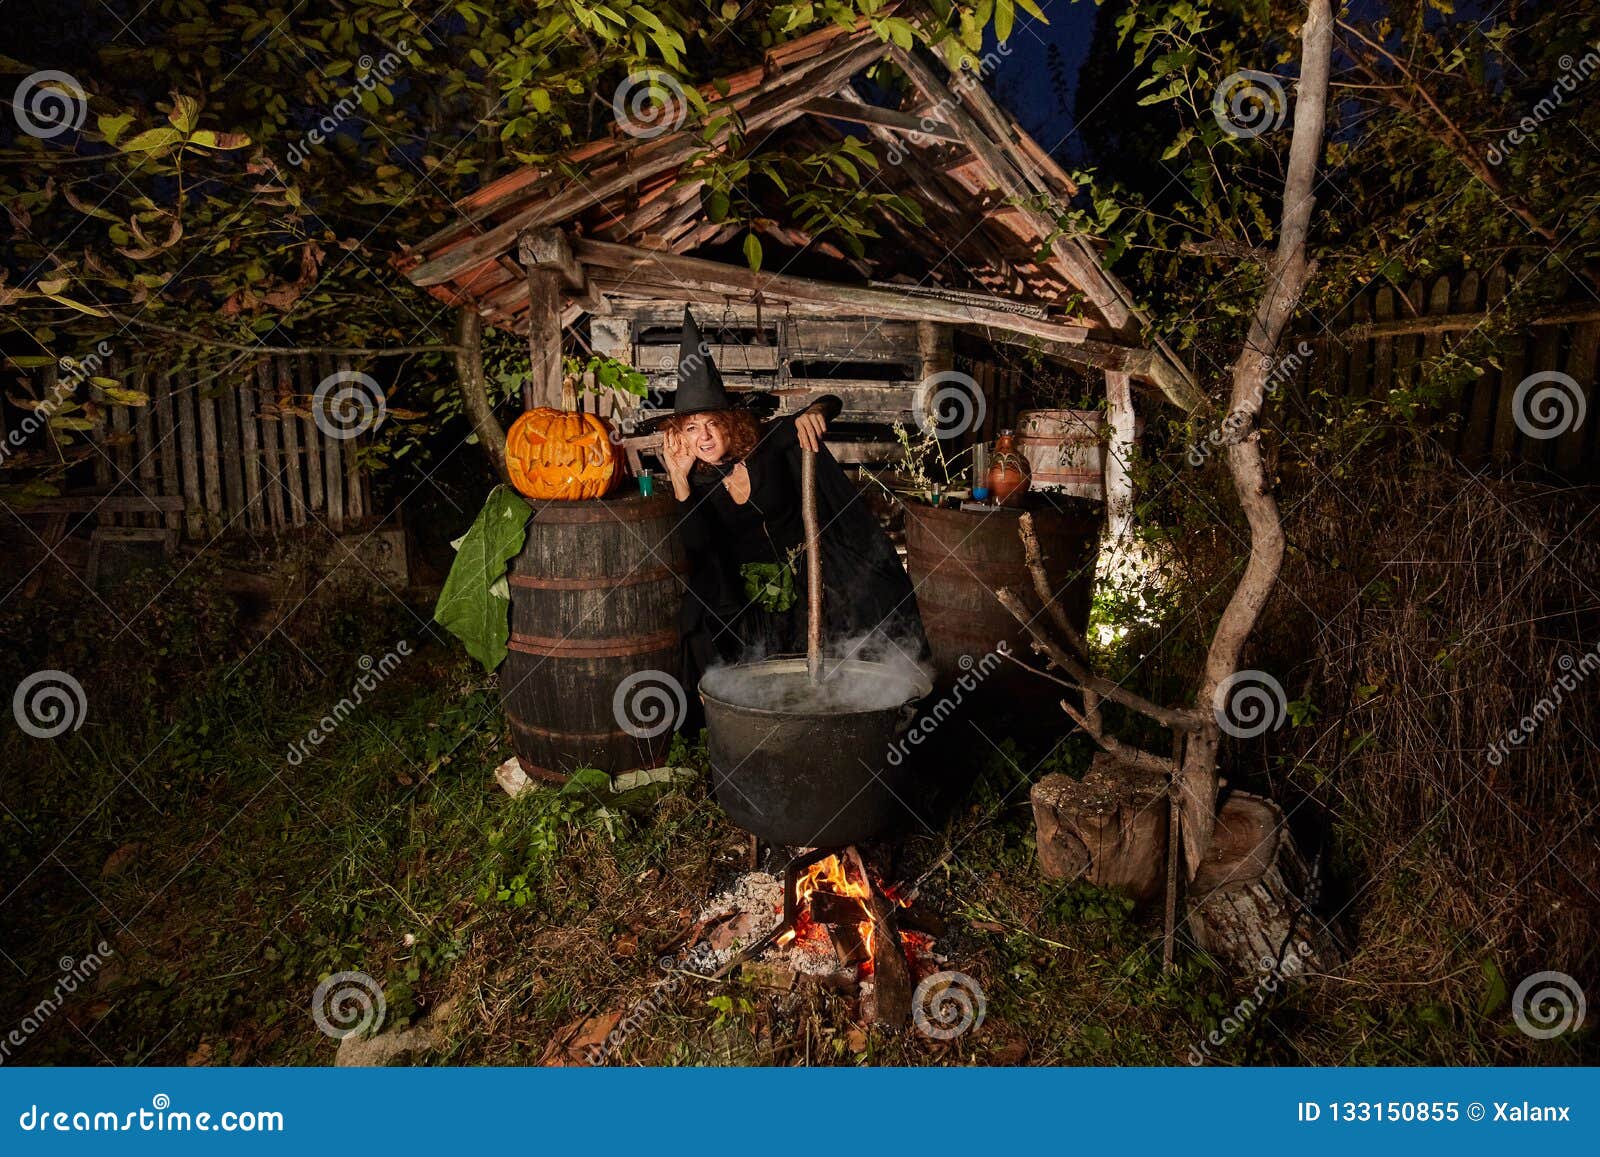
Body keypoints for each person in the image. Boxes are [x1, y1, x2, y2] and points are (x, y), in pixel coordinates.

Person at [649, 309, 928, 714]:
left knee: (866, 598)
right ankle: (729, 717)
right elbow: (699, 550)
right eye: (691, 428)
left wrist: (816, 410)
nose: (703, 437)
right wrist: (678, 479)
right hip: (745, 592)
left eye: (711, 424)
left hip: (808, 570)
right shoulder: (699, 484)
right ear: (680, 437)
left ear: (731, 423)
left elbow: (831, 402)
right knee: (700, 617)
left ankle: (881, 707)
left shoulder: (769, 444)